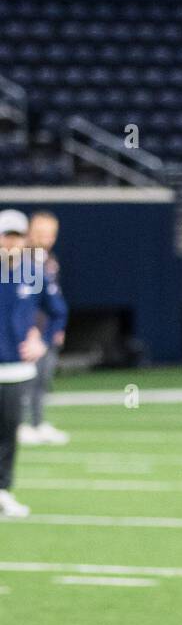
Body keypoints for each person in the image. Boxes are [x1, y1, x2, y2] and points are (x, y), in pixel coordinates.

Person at [0, 209, 49, 517]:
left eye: (17, 236)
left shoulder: (31, 271)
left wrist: (40, 338)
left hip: (14, 369)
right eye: (7, 236)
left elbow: (57, 310)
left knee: (8, 435)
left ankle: (3, 491)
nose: (12, 242)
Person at [19, 211, 69, 445]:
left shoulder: (49, 260)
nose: (48, 238)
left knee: (43, 381)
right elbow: (27, 301)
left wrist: (56, 327)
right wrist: (32, 329)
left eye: (51, 234)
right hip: (31, 332)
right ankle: (21, 423)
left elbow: (53, 299)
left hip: (48, 330)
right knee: (26, 381)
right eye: (43, 233)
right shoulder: (24, 260)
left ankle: (37, 422)